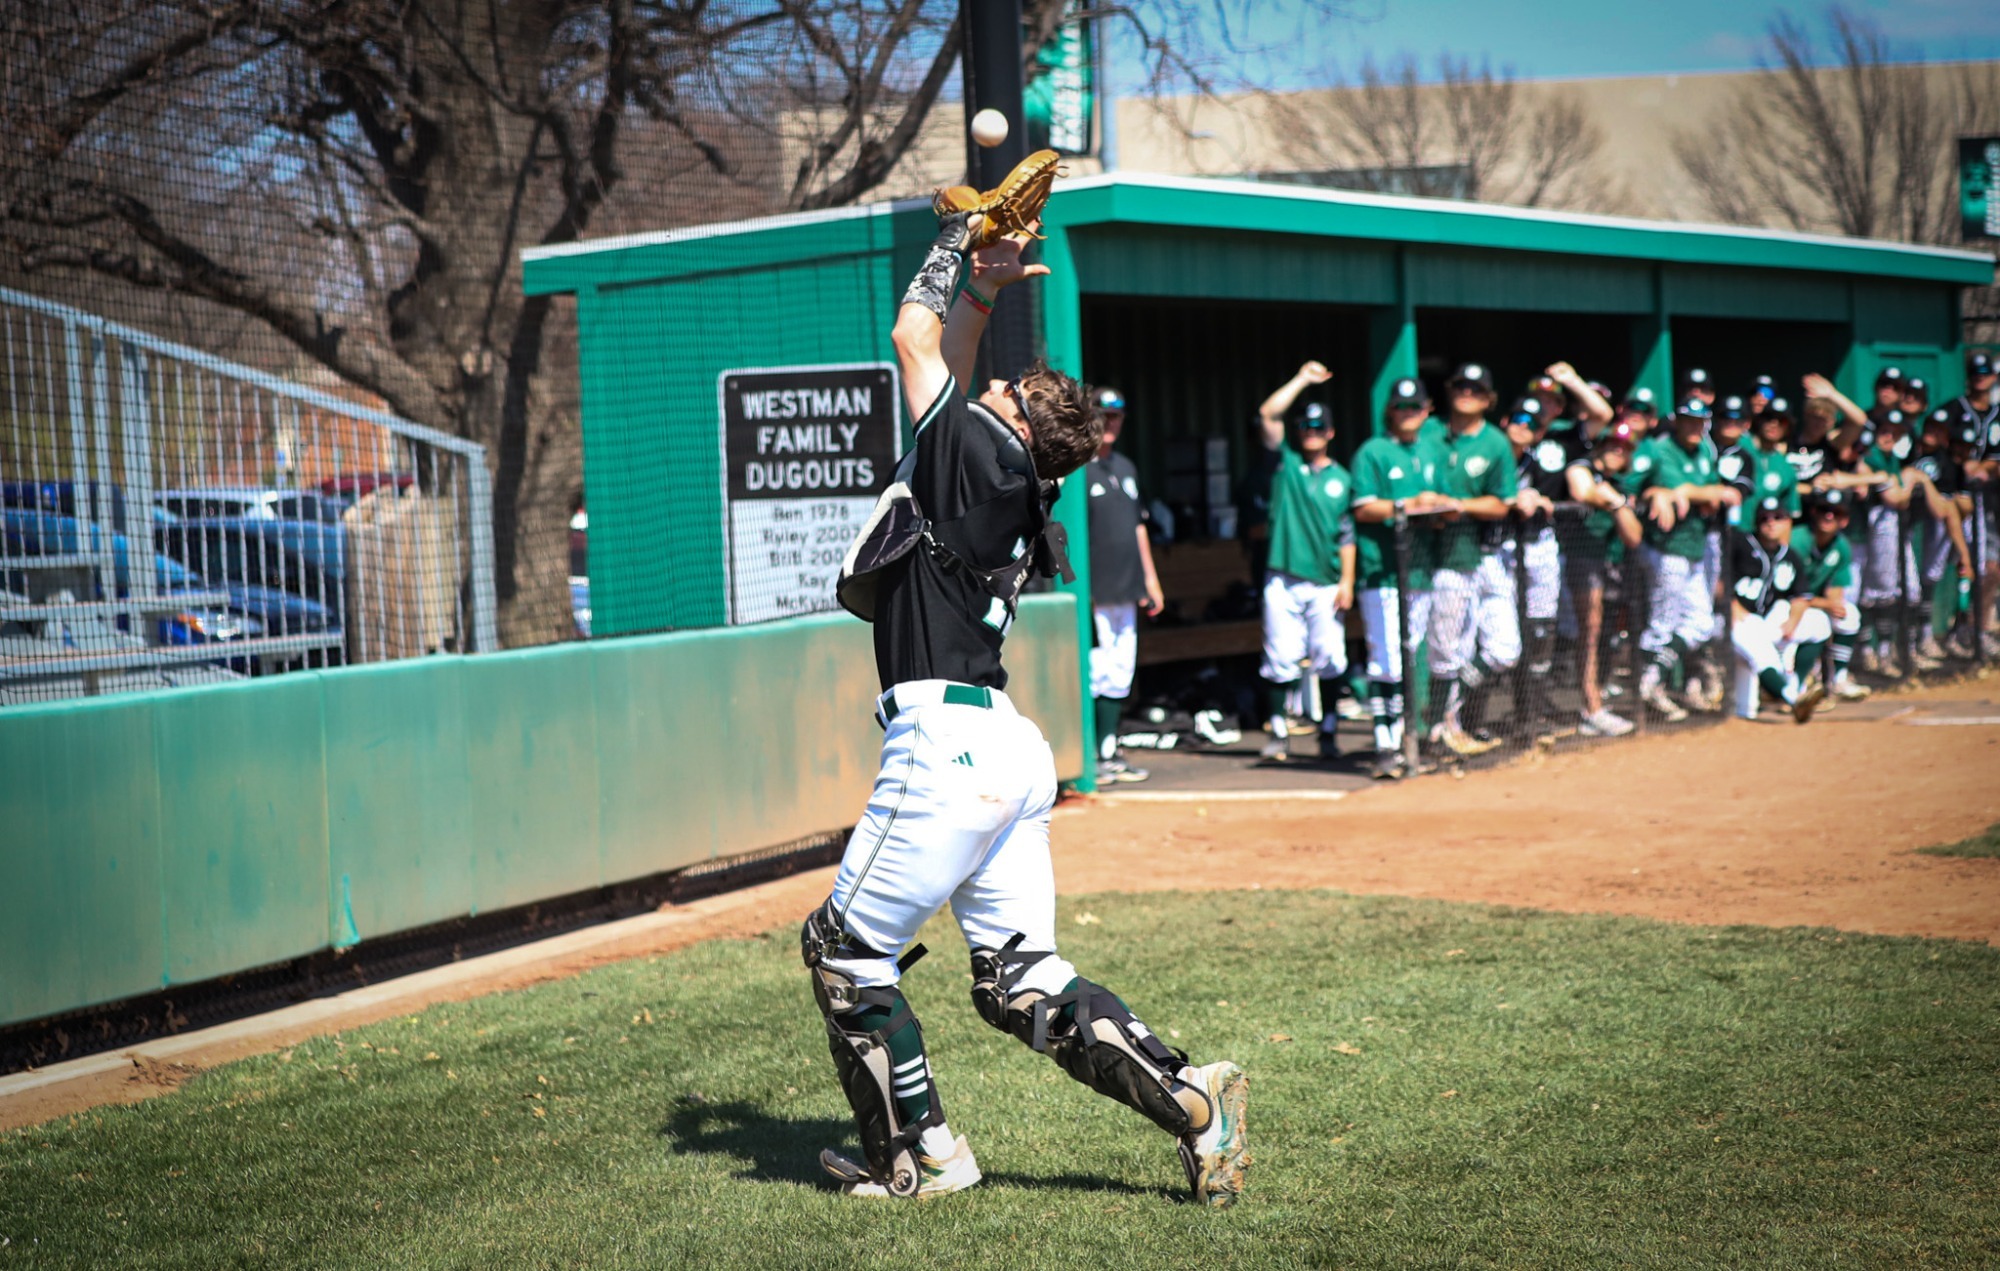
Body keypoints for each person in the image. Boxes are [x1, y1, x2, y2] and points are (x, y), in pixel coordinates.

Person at [810, 203, 1247, 1204]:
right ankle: (1191, 1097)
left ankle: (915, 1159)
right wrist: (988, 284)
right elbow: (957, 358)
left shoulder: (974, 451)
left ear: (1008, 420)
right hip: (1003, 747)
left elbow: (913, 339)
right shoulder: (1009, 470)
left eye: (1002, 389)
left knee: (842, 952)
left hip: (945, 743)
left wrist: (955, 248)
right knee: (1019, 977)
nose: (988, 386)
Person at [1253, 363, 1358, 761]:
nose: (1311, 434)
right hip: (1283, 576)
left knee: (1330, 656)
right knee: (1279, 657)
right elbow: (1268, 414)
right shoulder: (1286, 466)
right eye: (1306, 428)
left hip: (1326, 580)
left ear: (1330, 433)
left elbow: (1348, 535)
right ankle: (1279, 733)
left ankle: (1327, 731)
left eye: (1318, 428)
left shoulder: (1343, 478)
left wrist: (1347, 581)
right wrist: (1301, 379)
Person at [1351, 376, 1451, 779]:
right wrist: (1407, 504)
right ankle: (1385, 747)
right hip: (1383, 572)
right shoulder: (1372, 452)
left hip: (1422, 570)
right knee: (1388, 662)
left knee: (1413, 658)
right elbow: (1362, 507)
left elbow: (1442, 500)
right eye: (1402, 407)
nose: (1409, 414)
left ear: (1426, 411)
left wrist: (1441, 507)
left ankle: (1412, 740)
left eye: (1416, 407)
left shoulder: (1431, 450)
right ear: (1390, 410)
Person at [1426, 362, 1520, 754]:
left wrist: (1460, 505)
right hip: (1443, 556)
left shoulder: (1495, 442)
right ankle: (1445, 729)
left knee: (1504, 649)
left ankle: (1444, 716)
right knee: (1447, 648)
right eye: (1461, 386)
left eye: (1476, 388)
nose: (1467, 393)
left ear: (1488, 397)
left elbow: (1502, 503)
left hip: (1489, 554)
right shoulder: (1430, 435)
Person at [1627, 397, 1739, 721]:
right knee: (1662, 622)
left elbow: (1710, 489)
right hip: (1665, 548)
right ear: (1676, 420)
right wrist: (1694, 492)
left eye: (1700, 420)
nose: (1695, 426)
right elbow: (1690, 490)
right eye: (1688, 420)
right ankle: (1647, 689)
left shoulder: (1704, 450)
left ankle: (1651, 680)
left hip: (1695, 546)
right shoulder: (1662, 449)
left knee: (1701, 623)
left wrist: (1701, 493)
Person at [1083, 386, 1163, 784]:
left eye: (1116, 416)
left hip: (1129, 587)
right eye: (1102, 415)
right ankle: (1092, 755)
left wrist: (1151, 579)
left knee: (1120, 672)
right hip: (1097, 591)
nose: (1109, 423)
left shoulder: (1126, 468)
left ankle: (1110, 751)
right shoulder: (1077, 468)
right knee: (1098, 672)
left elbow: (1138, 527)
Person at [1564, 421, 1645, 735]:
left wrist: (1617, 502)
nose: (1616, 450)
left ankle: (1594, 704)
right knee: (1586, 631)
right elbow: (1583, 491)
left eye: (1623, 447)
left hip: (1606, 567)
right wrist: (1611, 501)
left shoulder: (1621, 485)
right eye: (1612, 444)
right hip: (1572, 561)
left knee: (1599, 632)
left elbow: (1634, 536)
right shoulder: (1581, 466)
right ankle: (1591, 706)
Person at [1724, 497, 1828, 724]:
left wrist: (1792, 622)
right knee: (1763, 651)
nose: (1771, 523)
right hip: (1733, 620)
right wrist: (1729, 604)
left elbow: (1801, 597)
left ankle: (1795, 688)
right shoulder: (1741, 543)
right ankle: (1794, 699)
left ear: (1788, 522)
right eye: (1764, 518)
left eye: (1777, 517)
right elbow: (1718, 580)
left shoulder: (1790, 556)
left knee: (1819, 622)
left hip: (1765, 622)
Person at [1792, 487, 1869, 702]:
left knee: (1848, 613)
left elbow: (1836, 595)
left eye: (1836, 512)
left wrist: (1828, 604)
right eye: (1824, 510)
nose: (1828, 516)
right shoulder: (1797, 540)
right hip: (1786, 604)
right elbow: (1786, 591)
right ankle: (1802, 681)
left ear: (1844, 519)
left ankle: (1839, 678)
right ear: (1814, 512)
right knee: (1817, 622)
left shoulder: (1841, 546)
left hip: (1812, 603)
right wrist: (1824, 604)